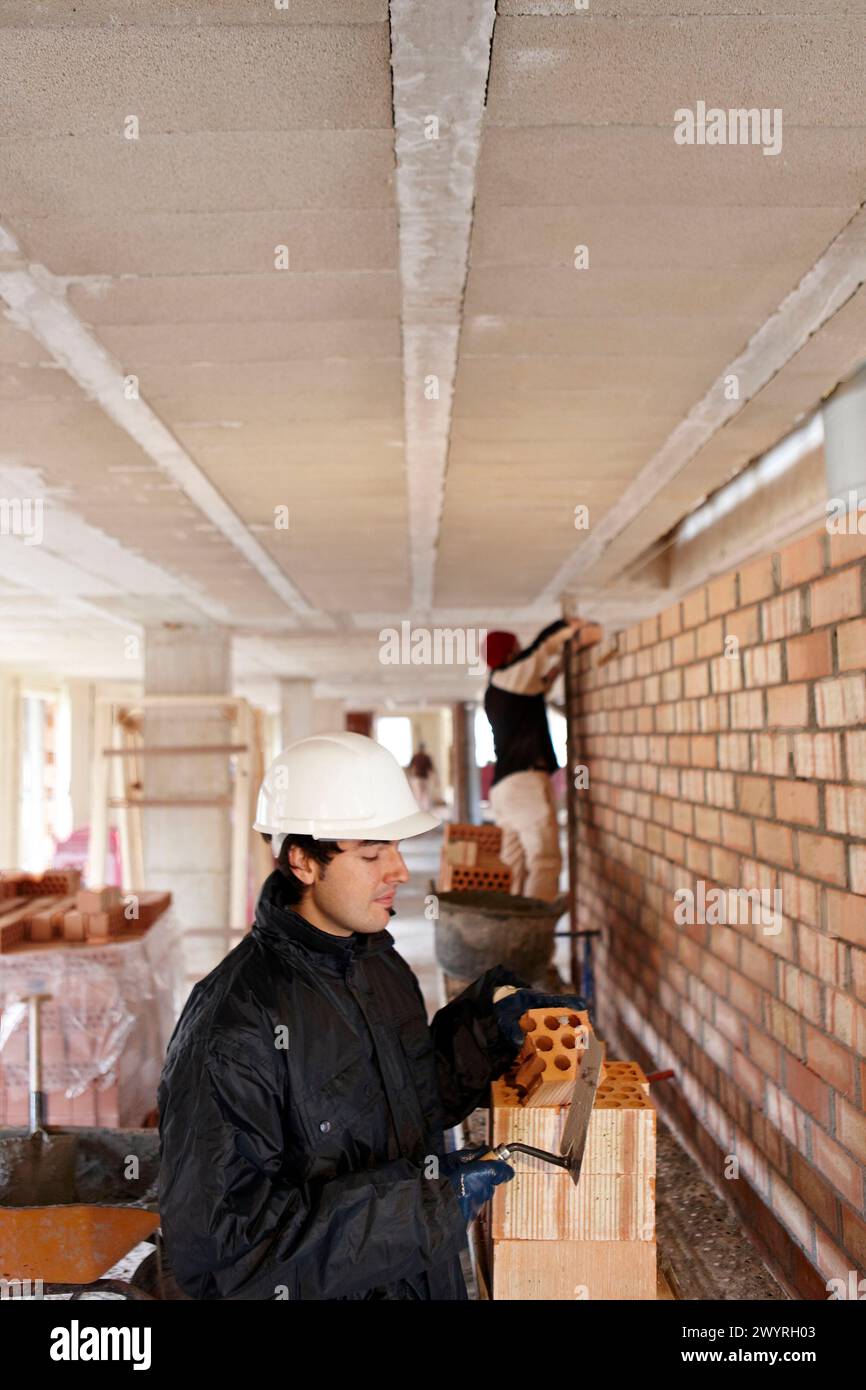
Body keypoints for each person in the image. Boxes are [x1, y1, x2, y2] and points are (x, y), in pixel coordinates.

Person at [157, 731, 582, 1300]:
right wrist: (425, 1207)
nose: (401, 871)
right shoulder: (233, 1027)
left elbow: (410, 1102)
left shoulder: (377, 962)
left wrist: (486, 1031)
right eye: (372, 853)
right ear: (303, 861)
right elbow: (226, 1256)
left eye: (397, 848)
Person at [483, 619, 583, 901]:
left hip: (504, 790)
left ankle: (514, 933)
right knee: (544, 861)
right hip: (524, 783)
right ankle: (534, 936)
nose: (519, 649)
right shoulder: (509, 676)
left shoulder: (500, 689)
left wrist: (562, 665)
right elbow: (540, 648)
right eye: (515, 647)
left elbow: (539, 688)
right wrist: (570, 626)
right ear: (509, 652)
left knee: (515, 867)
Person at [407, 740, 435, 811]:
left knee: (421, 795)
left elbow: (410, 768)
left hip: (420, 779)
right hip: (420, 779)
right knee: (422, 795)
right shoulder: (421, 757)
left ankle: (422, 810)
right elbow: (431, 770)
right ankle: (421, 810)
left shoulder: (421, 757)